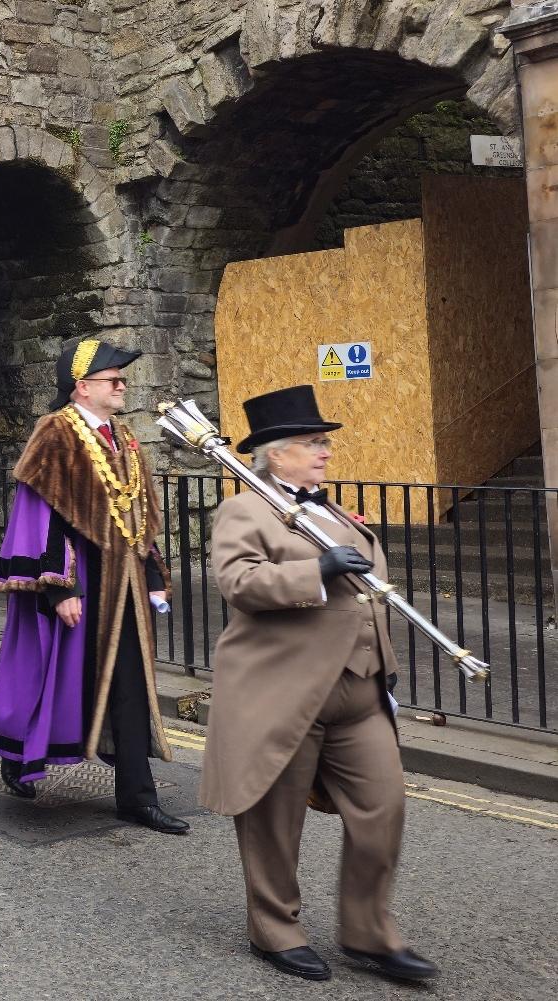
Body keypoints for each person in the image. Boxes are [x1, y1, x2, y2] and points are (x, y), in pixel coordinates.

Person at [204, 385, 436, 984]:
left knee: (383, 807)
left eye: (323, 441)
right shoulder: (245, 510)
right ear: (275, 453)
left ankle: (368, 931)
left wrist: (383, 659)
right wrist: (317, 570)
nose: (325, 451)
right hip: (283, 693)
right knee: (275, 824)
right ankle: (274, 929)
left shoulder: (330, 511)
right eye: (312, 442)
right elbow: (239, 584)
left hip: (359, 692)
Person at [0, 339, 185, 834]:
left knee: (131, 685)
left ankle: (137, 797)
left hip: (125, 584)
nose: (122, 386)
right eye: (112, 379)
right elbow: (42, 516)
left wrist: (154, 575)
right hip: (81, 582)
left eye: (122, 378)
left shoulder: (124, 436)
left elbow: (139, 515)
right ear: (81, 387)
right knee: (50, 677)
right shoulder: (55, 433)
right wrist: (60, 589)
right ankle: (18, 755)